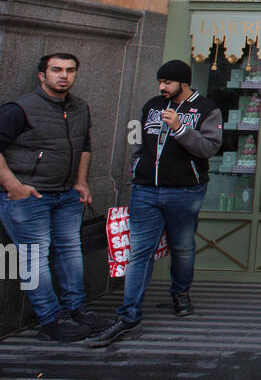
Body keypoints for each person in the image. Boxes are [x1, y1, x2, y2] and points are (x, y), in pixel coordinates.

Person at [90, 60, 223, 347]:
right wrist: (137, 171)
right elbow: (138, 142)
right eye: (160, 81)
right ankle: (129, 316)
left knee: (183, 246)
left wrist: (180, 129)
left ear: (183, 83)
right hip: (146, 190)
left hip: (185, 191)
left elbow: (209, 148)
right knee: (140, 252)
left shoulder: (207, 109)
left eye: (168, 82)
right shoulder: (151, 104)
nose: (162, 87)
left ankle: (180, 292)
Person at [0, 53, 101, 343]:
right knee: (35, 257)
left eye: (70, 70)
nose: (64, 76)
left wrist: (81, 181)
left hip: (66, 194)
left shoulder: (80, 107)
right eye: (56, 70)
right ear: (41, 76)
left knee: (70, 250)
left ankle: (76, 309)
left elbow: (84, 145)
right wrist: (14, 186)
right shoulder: (18, 109)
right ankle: (50, 319)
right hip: (28, 196)